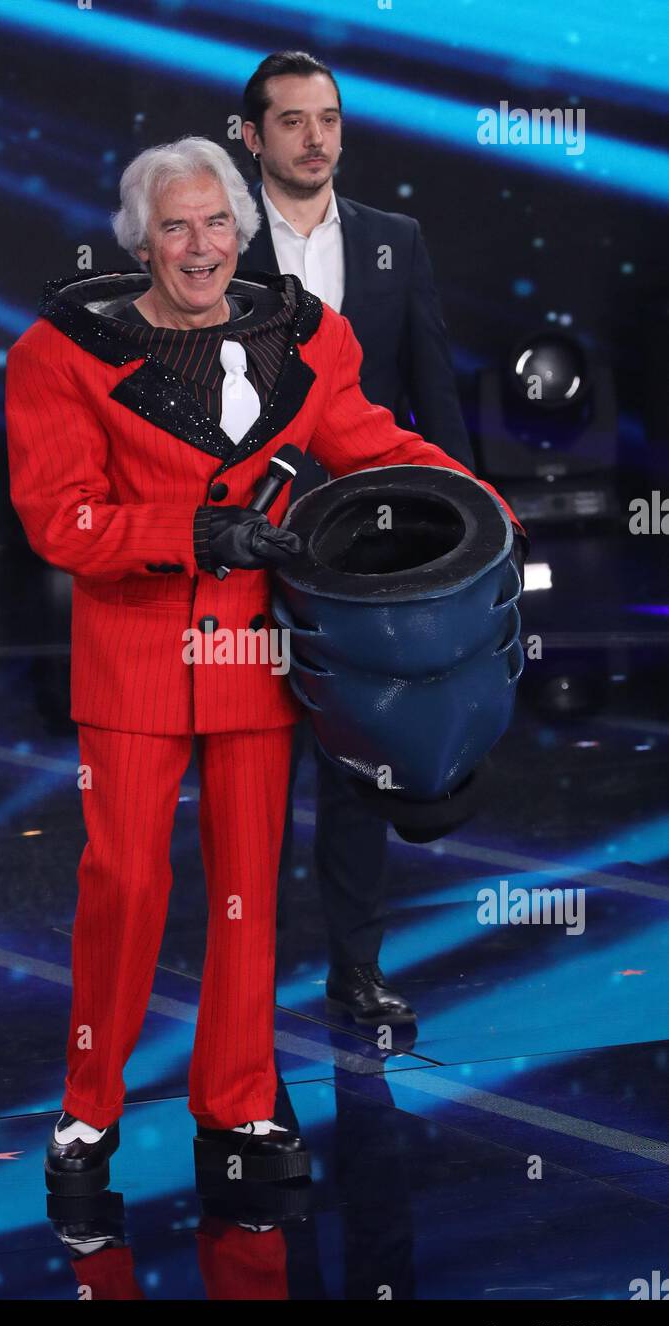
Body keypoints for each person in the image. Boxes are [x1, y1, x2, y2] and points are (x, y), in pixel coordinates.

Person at [5, 136, 525, 1192]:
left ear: (238, 229)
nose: (197, 248)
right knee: (126, 883)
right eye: (173, 227)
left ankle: (238, 1103)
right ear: (139, 241)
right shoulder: (58, 355)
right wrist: (195, 534)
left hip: (258, 653)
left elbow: (373, 444)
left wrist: (484, 513)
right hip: (137, 660)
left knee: (248, 888)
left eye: (213, 224)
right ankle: (86, 1110)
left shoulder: (307, 338)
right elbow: (62, 522)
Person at [238, 50, 490, 1027]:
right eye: (294, 121)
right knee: (250, 770)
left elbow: (432, 396)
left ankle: (354, 970)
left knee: (358, 765)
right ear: (251, 136)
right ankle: (241, 990)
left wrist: (464, 526)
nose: (315, 138)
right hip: (254, 538)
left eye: (329, 119)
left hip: (369, 552)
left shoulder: (394, 239)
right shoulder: (216, 247)